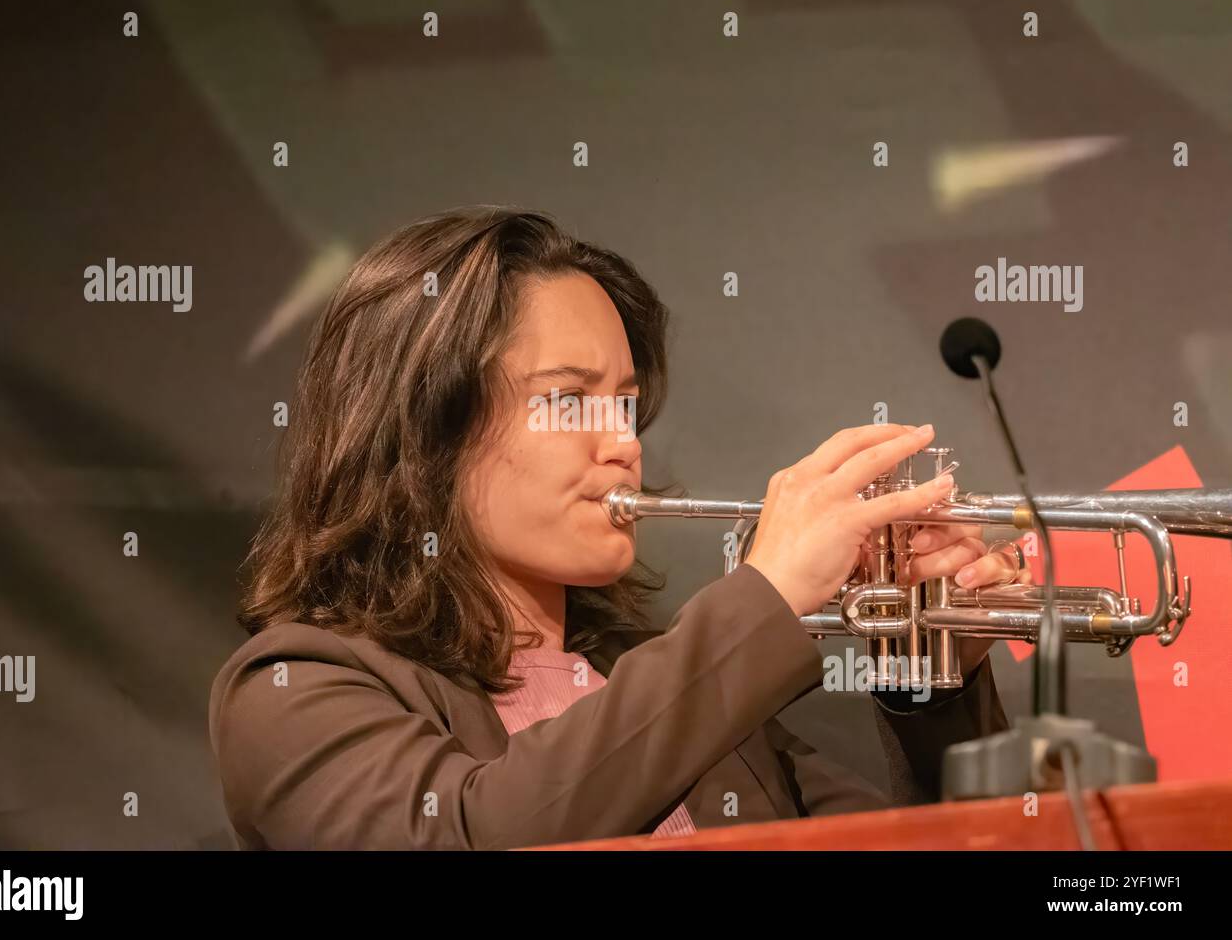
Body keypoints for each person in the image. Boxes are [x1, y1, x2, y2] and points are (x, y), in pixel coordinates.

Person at [208, 206, 1028, 850]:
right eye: (570, 401)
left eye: (627, 405)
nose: (625, 444)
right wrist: (766, 596)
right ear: (426, 433)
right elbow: (473, 835)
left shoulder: (673, 693)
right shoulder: (294, 689)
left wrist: (933, 689)